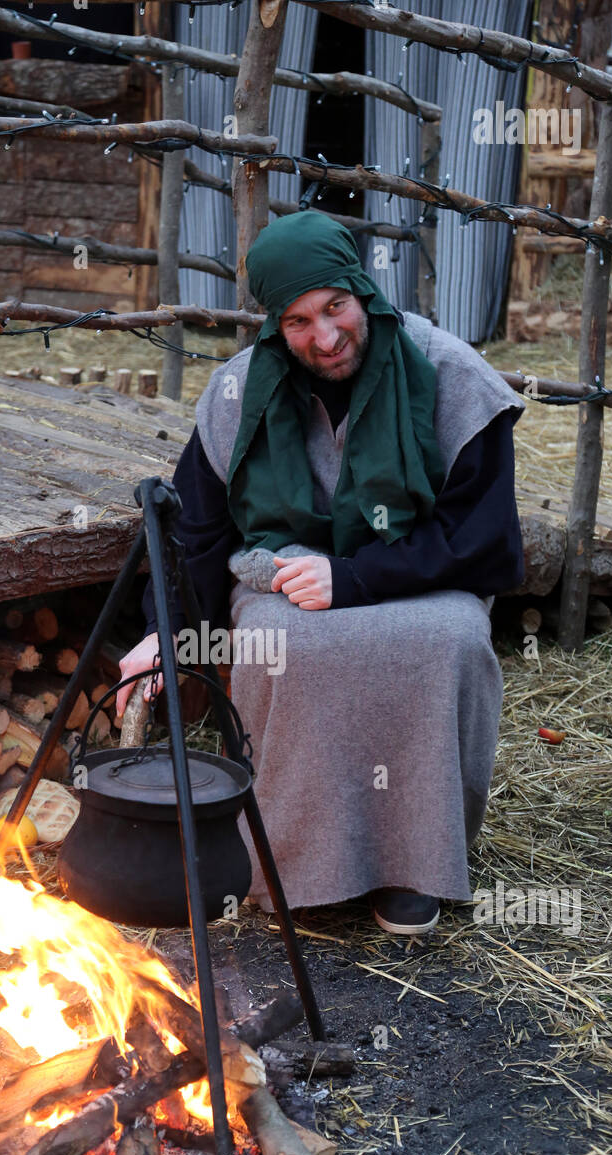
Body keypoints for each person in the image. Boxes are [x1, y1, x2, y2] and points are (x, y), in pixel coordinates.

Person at [117, 210, 525, 936]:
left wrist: (355, 577)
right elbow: (199, 532)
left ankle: (416, 868)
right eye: (299, 322)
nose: (325, 337)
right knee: (284, 647)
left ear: (361, 288)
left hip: (423, 580)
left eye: (335, 307)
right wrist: (166, 630)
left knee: (452, 638)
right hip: (281, 580)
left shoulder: (450, 371)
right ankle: (293, 866)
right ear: (275, 323)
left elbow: (485, 539)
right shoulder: (240, 392)